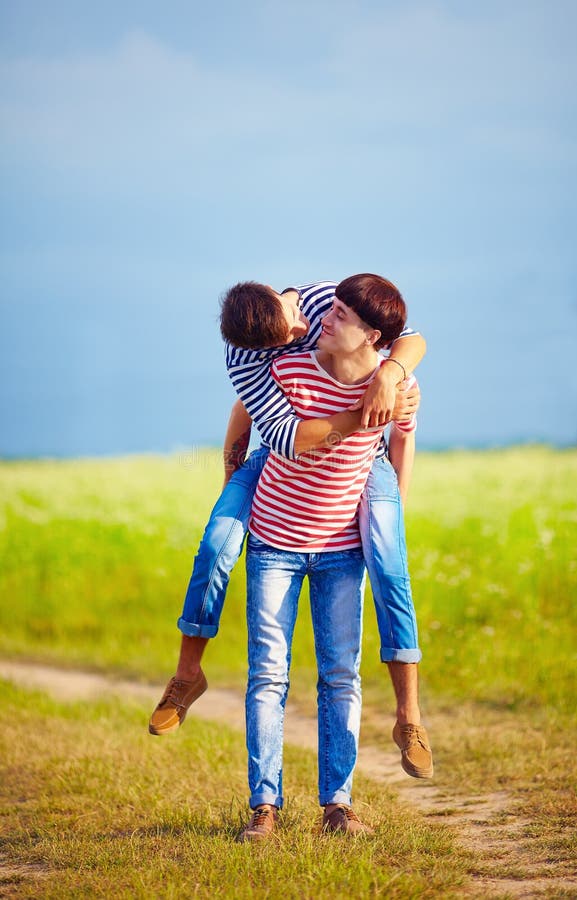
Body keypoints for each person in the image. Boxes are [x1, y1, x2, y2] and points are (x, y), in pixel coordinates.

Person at [149, 277, 431, 783]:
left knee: (391, 561)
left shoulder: (325, 301)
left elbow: (409, 338)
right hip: (280, 455)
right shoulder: (255, 361)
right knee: (216, 544)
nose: (305, 330)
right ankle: (187, 674)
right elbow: (276, 432)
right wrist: (232, 482)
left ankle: (408, 715)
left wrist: (390, 378)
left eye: (295, 324)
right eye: (287, 338)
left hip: (362, 462)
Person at [238, 275, 415, 841]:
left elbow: (402, 442)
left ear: (373, 336)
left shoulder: (396, 383)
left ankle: (338, 807)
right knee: (268, 676)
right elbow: (278, 434)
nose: (325, 319)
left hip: (342, 551)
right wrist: (230, 473)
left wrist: (393, 513)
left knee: (340, 676)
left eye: (341, 314)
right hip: (274, 543)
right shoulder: (287, 369)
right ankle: (263, 808)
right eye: (331, 307)